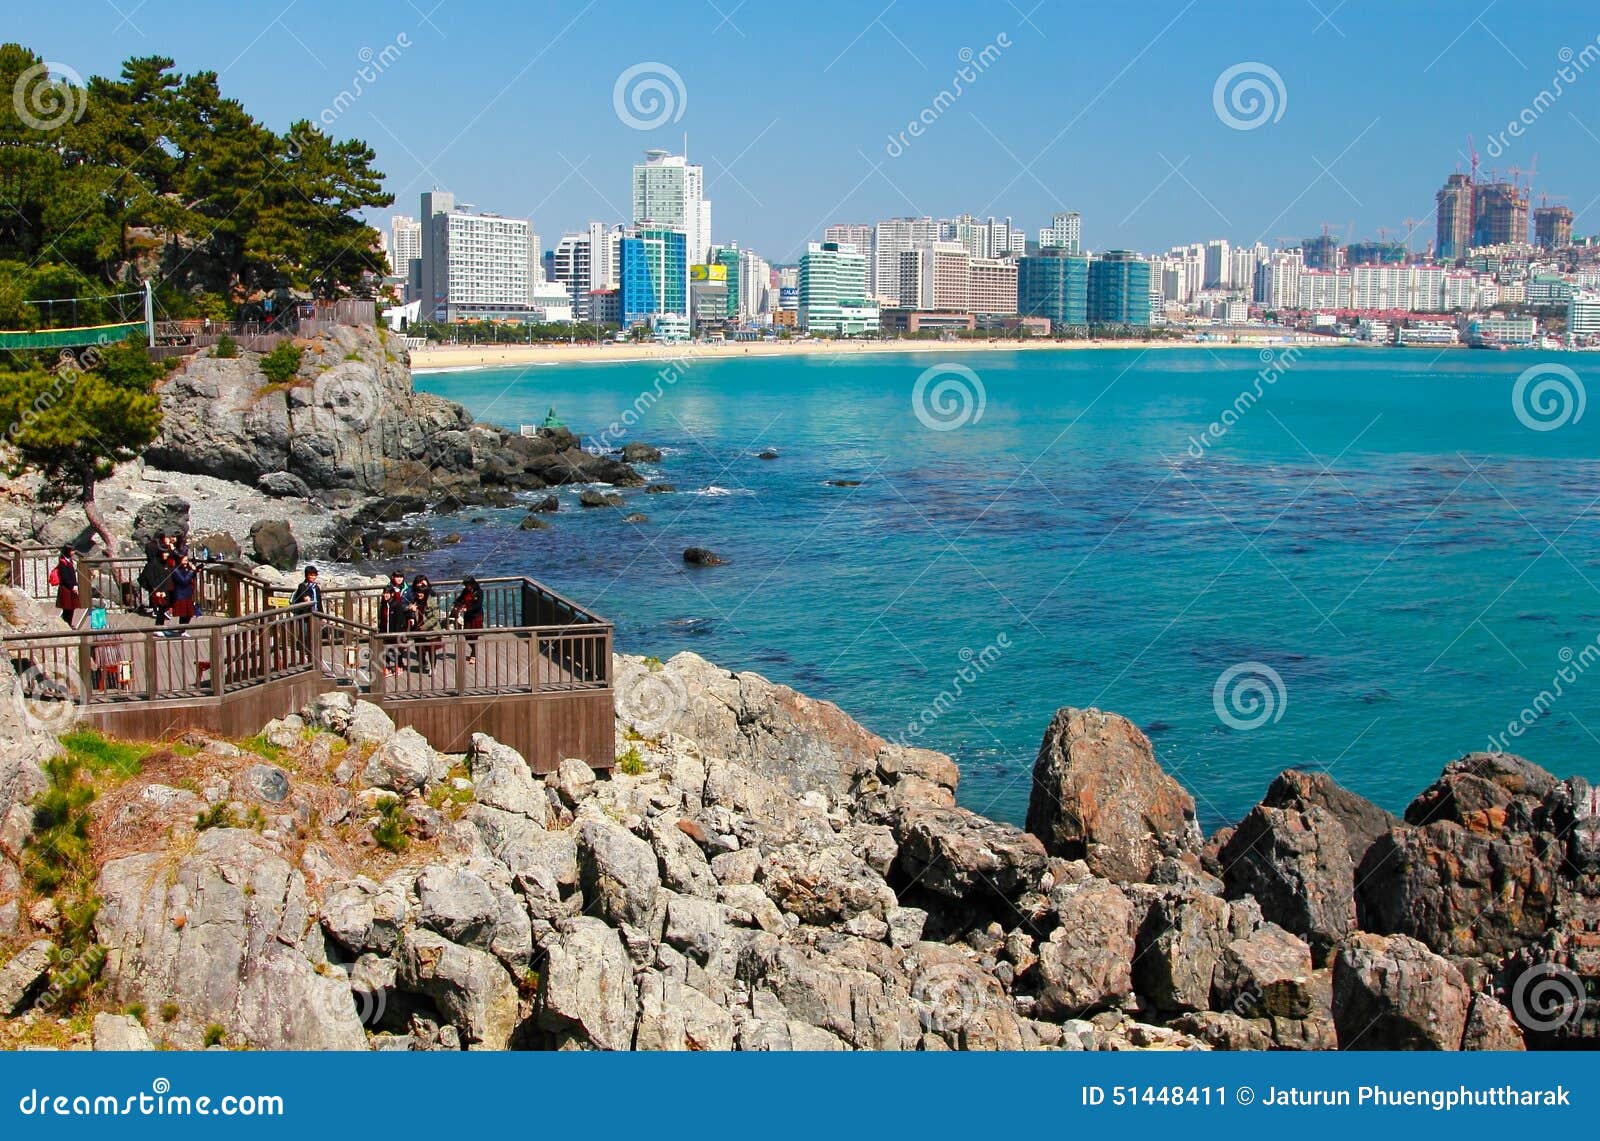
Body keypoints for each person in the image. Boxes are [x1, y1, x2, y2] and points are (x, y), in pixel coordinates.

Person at [377, 570, 413, 677]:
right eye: (397, 577)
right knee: (386, 647)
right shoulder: (385, 602)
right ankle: (387, 666)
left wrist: (410, 614)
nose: (399, 579)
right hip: (386, 626)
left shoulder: (406, 589)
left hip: (399, 623)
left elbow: (410, 601)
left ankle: (399, 665)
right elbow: (381, 615)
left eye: (401, 577)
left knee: (398, 646)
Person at [410, 575, 443, 675]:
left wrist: (424, 626)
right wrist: (411, 612)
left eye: (421, 593)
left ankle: (433, 668)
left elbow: (436, 617)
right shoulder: (415, 601)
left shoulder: (431, 601)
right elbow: (411, 612)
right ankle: (423, 663)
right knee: (419, 649)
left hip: (430, 630)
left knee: (431, 650)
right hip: (418, 629)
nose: (419, 594)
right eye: (418, 592)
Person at [450, 575, 485, 665]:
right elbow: (460, 599)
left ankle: (473, 654)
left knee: (474, 635)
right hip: (468, 616)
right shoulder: (465, 591)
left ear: (472, 584)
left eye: (468, 585)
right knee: (467, 635)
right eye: (466, 585)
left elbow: (478, 605)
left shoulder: (479, 592)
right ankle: (474, 650)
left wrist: (467, 609)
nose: (467, 587)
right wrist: (456, 604)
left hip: (476, 615)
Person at [167, 554, 198, 634]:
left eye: (187, 561)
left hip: (187, 593)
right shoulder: (175, 570)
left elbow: (190, 577)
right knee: (183, 614)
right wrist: (191, 571)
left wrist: (194, 571)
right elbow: (183, 581)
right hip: (180, 594)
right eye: (184, 560)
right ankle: (182, 630)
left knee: (189, 614)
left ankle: (183, 630)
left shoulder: (186, 568)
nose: (186, 563)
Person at [51, 546, 79, 626]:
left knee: (71, 608)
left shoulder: (68, 561)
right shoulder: (63, 563)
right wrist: (72, 586)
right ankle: (66, 624)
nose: (73, 552)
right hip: (66, 588)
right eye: (72, 551)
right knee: (67, 608)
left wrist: (75, 585)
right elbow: (65, 577)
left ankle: (69, 623)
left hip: (70, 588)